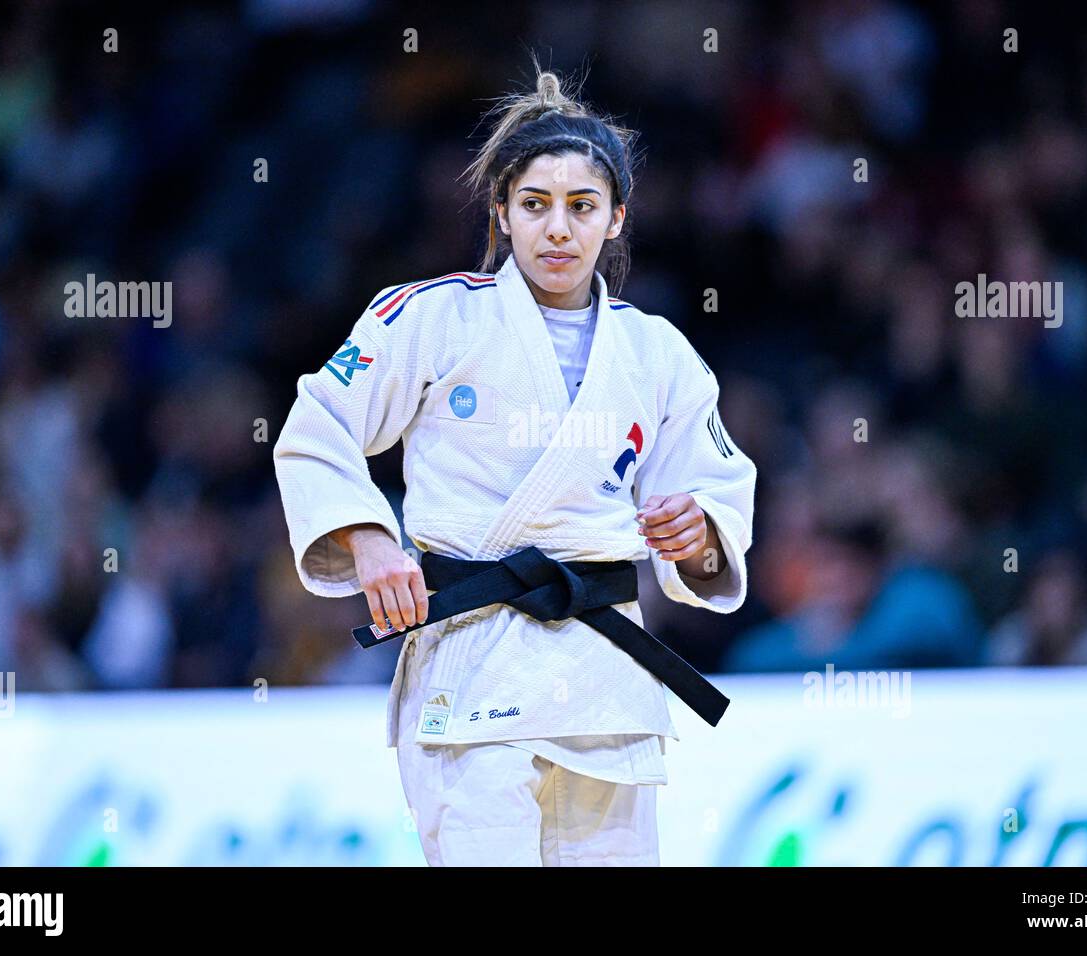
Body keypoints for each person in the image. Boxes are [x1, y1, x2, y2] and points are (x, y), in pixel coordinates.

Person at [272, 66, 756, 866]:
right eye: (534, 205)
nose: (557, 230)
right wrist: (368, 540)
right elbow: (315, 421)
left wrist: (698, 534)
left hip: (605, 680)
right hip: (474, 664)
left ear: (617, 219)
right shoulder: (427, 317)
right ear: (501, 212)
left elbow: (712, 494)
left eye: (581, 207)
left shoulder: (658, 352)